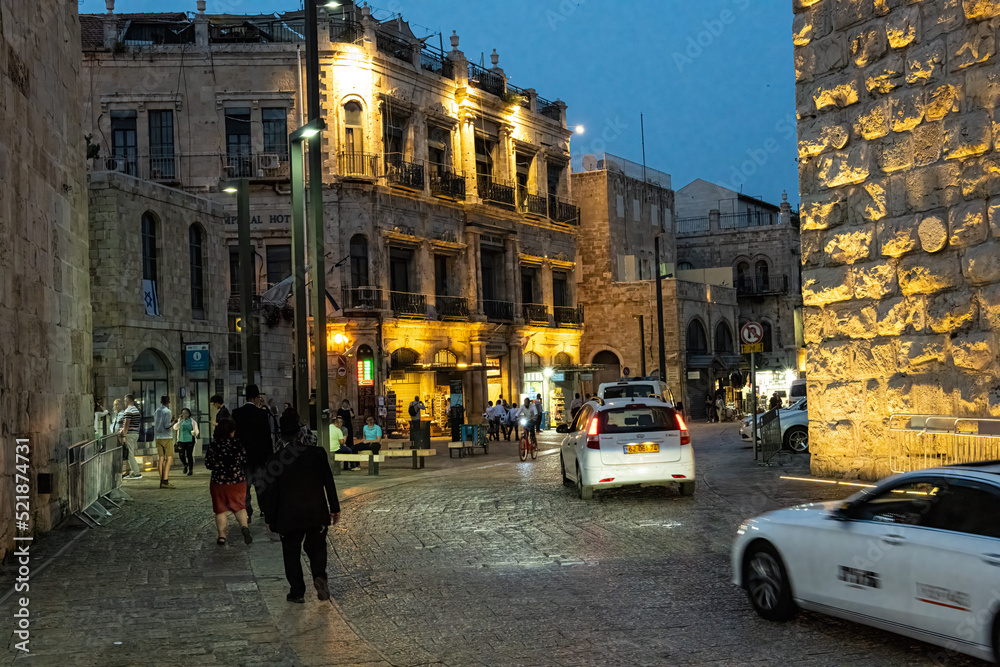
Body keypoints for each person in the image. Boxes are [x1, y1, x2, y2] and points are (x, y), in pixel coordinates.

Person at [259, 408, 341, 604]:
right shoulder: (317, 453)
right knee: (317, 547)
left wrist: (269, 517)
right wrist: (334, 508)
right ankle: (319, 575)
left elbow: (270, 492)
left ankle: (297, 592)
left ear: (282, 437)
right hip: (316, 511)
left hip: (288, 515)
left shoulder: (275, 460)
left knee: (291, 552)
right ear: (300, 433)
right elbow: (328, 482)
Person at [204, 418, 252, 546]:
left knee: (220, 510)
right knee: (240, 507)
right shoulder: (238, 444)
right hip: (237, 482)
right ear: (231, 432)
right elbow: (244, 460)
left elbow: (208, 464)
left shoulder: (214, 446)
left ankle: (222, 536)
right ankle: (244, 527)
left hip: (219, 482)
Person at [232, 385, 273, 524]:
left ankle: (247, 512)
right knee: (261, 485)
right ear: (256, 398)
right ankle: (264, 509)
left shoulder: (236, 413)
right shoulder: (262, 414)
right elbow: (266, 437)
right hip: (260, 456)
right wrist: (269, 456)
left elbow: (235, 437)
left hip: (243, 457)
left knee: (245, 486)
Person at [153, 395, 177, 489]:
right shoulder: (167, 411)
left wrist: (170, 421)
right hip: (167, 437)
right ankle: (165, 480)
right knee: (169, 458)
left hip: (158, 437)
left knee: (161, 459)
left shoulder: (157, 411)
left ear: (161, 401)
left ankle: (161, 480)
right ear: (168, 402)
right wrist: (174, 422)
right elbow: (167, 426)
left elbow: (159, 424)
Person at [118, 394, 143, 480]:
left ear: (128, 400)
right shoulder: (136, 410)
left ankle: (136, 472)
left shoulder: (128, 410)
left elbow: (127, 423)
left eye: (125, 400)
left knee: (130, 453)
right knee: (131, 452)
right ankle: (133, 471)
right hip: (135, 433)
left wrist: (124, 434)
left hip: (130, 434)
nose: (124, 402)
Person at [173, 408, 199, 476]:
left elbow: (197, 431)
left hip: (190, 440)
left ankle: (190, 470)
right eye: (183, 413)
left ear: (189, 414)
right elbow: (175, 428)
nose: (185, 415)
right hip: (181, 440)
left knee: (189, 455)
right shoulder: (180, 421)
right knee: (181, 454)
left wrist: (194, 433)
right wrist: (179, 421)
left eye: (186, 413)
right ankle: (185, 464)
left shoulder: (192, 422)